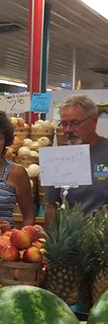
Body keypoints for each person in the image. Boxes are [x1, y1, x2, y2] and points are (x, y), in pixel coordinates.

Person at [44, 94, 108, 226]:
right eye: (64, 124)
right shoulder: (58, 158)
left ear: (93, 121)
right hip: (69, 239)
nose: (68, 130)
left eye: (74, 123)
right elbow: (52, 207)